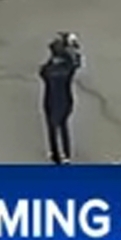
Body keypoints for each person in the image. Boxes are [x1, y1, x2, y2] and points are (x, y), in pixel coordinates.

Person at [39, 34, 82, 164]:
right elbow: (76, 63)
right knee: (61, 125)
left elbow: (43, 73)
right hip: (63, 98)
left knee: (54, 126)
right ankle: (62, 154)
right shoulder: (67, 66)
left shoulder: (54, 66)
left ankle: (58, 154)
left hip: (53, 98)